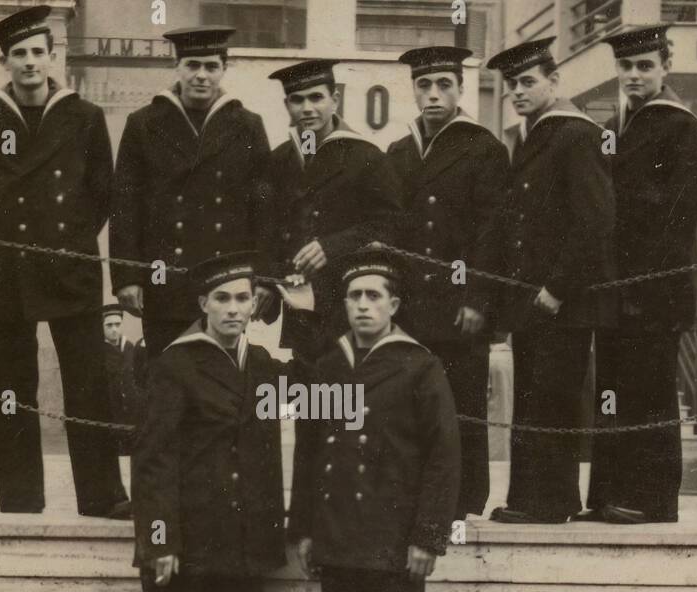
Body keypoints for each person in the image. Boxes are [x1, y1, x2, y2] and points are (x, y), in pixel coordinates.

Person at [288, 249, 460, 592]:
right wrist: (304, 529)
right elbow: (310, 450)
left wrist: (427, 537)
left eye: (373, 297)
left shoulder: (418, 366)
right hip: (338, 538)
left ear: (394, 306)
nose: (363, 306)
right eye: (354, 297)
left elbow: (443, 458)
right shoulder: (330, 366)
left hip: (393, 547)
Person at [0, 5, 128, 517]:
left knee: (88, 386)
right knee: (12, 390)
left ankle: (101, 496)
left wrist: (67, 242)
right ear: (4, 62)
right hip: (5, 272)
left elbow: (102, 194)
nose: (30, 63)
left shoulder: (85, 118)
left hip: (69, 268)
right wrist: (6, 241)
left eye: (38, 53)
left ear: (52, 57)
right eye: (19, 55)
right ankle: (21, 498)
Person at [131, 252, 288, 592]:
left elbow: (330, 398)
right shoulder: (175, 365)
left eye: (243, 298)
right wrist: (159, 540)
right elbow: (153, 458)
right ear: (202, 305)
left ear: (255, 305)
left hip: (237, 541)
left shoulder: (264, 366)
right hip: (182, 538)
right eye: (221, 299)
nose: (233, 309)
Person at [580, 24, 697, 525]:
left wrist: (640, 286)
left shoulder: (680, 125)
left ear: (664, 68)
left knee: (649, 397)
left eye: (644, 66)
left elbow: (679, 219)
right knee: (612, 394)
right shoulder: (619, 123)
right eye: (626, 67)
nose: (634, 75)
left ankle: (652, 500)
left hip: (654, 293)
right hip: (615, 291)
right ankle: (610, 496)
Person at [484, 37, 617, 525]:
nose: (516, 91)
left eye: (527, 81)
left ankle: (545, 502)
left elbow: (595, 222)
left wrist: (557, 289)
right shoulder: (536, 133)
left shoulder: (575, 134)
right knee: (536, 398)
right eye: (510, 85)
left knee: (551, 398)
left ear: (554, 81)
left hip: (562, 300)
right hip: (534, 299)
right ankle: (539, 499)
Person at [385, 46, 509, 521]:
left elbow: (492, 231)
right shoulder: (399, 152)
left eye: (443, 85)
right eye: (424, 85)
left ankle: (464, 501)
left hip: (459, 305)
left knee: (463, 405)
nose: (433, 95)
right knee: (413, 405)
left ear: (460, 89)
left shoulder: (483, 148)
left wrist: (478, 298)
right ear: (414, 89)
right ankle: (417, 498)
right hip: (411, 305)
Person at [109, 27, 273, 360]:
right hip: (164, 279)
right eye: (193, 65)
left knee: (222, 382)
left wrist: (266, 277)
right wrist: (127, 277)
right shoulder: (143, 124)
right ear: (177, 67)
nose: (201, 75)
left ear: (223, 70)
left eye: (211, 66)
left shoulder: (248, 125)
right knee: (167, 378)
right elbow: (125, 206)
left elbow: (265, 209)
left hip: (225, 285)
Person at [261, 59, 403, 362]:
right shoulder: (279, 160)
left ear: (334, 100)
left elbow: (390, 225)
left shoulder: (367, 156)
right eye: (297, 100)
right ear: (287, 105)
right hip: (299, 299)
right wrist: (268, 280)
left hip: (350, 300)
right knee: (306, 390)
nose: (307, 108)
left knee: (348, 391)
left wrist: (332, 247)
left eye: (317, 97)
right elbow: (267, 229)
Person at [101, 304, 139, 458]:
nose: (114, 329)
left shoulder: (130, 347)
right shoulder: (99, 351)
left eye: (117, 324)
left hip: (131, 413)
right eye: (109, 325)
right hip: (110, 413)